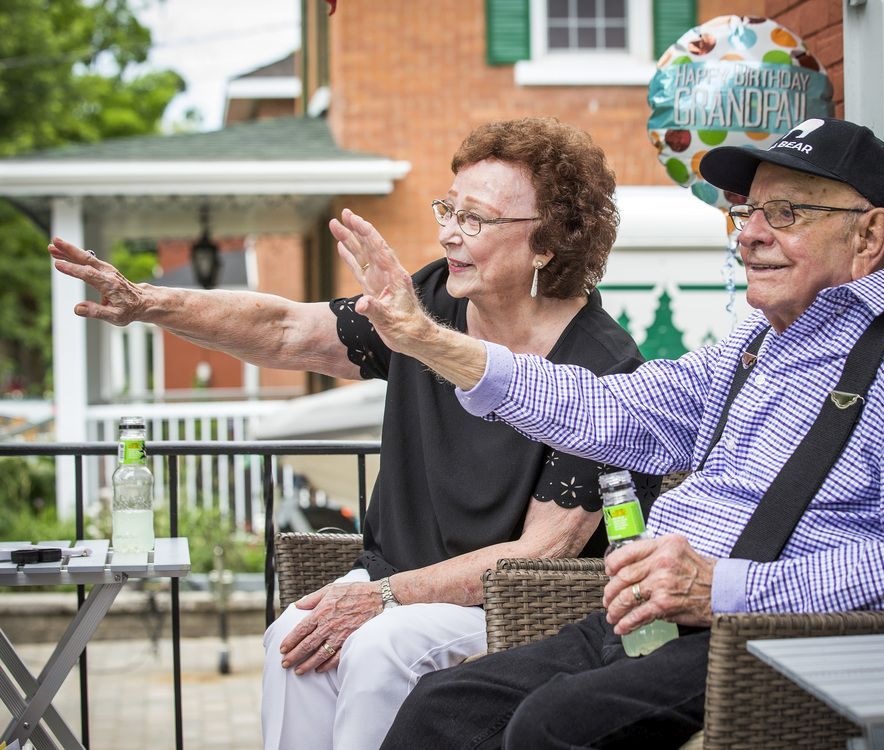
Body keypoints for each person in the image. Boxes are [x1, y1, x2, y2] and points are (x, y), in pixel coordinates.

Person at [323, 117, 884, 750]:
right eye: (746, 211)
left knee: (550, 727)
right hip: (650, 618)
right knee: (447, 704)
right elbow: (603, 409)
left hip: (769, 639)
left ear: (869, 236)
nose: (748, 234)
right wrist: (424, 341)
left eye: (784, 213)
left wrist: (723, 586)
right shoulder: (759, 343)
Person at [48, 116, 660, 749]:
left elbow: (542, 555)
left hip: (515, 610)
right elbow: (288, 330)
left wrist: (388, 599)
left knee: (377, 652)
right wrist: (147, 301)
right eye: (448, 209)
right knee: (293, 636)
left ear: (548, 241)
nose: (449, 232)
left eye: (475, 219)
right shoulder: (429, 302)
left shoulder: (600, 366)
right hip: (395, 577)